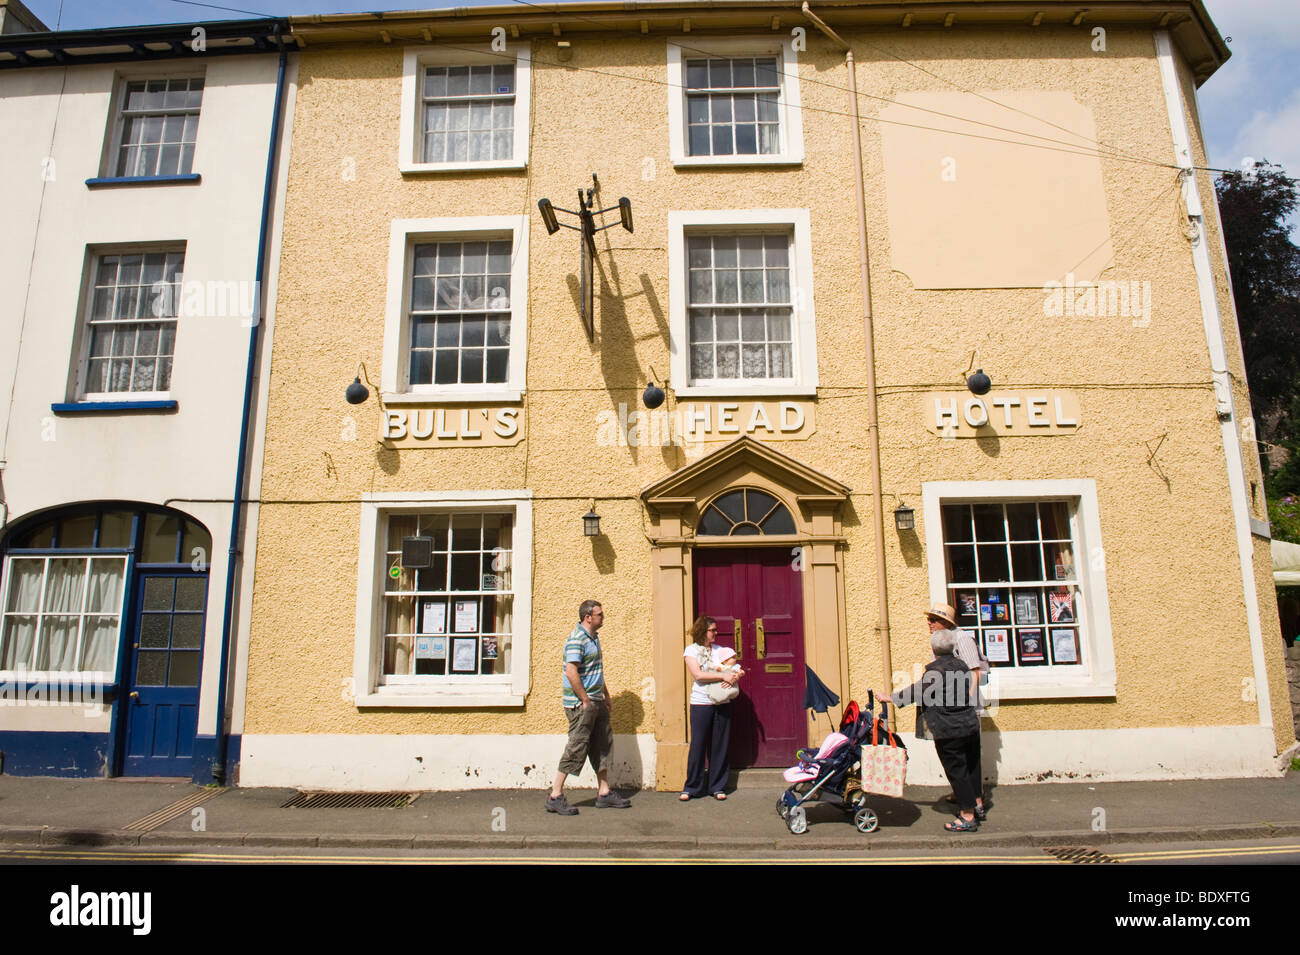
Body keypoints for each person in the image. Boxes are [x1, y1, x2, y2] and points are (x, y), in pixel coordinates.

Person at [879, 629, 982, 832]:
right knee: (970, 768)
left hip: (949, 728)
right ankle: (976, 806)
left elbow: (918, 691)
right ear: (953, 647)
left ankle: (967, 816)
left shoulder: (937, 670)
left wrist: (891, 698)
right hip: (969, 724)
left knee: (957, 771)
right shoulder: (961, 665)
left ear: (933, 649)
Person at [546, 600, 631, 815]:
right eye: (600, 615)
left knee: (602, 744)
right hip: (581, 703)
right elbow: (571, 672)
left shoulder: (594, 638)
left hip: (596, 700)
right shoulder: (577, 639)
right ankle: (555, 794)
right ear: (588, 617)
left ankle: (604, 792)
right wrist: (584, 699)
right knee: (577, 746)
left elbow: (595, 671)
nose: (603, 617)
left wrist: (606, 695)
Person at [925, 602, 988, 818]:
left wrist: (964, 703)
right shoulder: (943, 641)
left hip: (964, 708)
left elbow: (974, 672)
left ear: (946, 622)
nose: (929, 622)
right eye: (929, 619)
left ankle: (976, 801)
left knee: (968, 757)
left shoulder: (962, 639)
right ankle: (965, 795)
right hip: (952, 708)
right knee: (960, 757)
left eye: (933, 619)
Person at [680, 615, 745, 801]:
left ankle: (717, 786)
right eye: (712, 630)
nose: (716, 633)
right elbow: (698, 675)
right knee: (698, 746)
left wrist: (734, 675)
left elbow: (732, 668)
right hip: (701, 703)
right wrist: (723, 676)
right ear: (702, 631)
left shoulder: (720, 650)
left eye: (716, 630)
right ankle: (692, 787)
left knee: (719, 746)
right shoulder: (691, 650)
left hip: (721, 703)